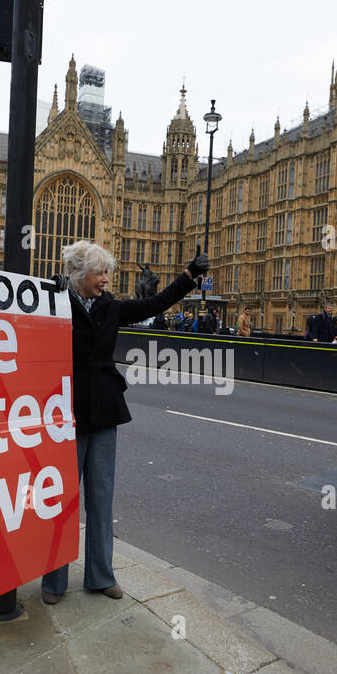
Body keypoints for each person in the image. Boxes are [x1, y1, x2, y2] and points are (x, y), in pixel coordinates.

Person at [41, 241, 206, 604]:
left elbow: (153, 305)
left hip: (104, 410)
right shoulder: (55, 304)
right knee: (62, 500)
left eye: (107, 272)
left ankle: (100, 576)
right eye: (100, 273)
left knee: (101, 498)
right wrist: (42, 290)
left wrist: (189, 277)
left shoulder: (111, 308)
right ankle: (53, 581)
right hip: (64, 413)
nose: (106, 279)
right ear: (80, 275)